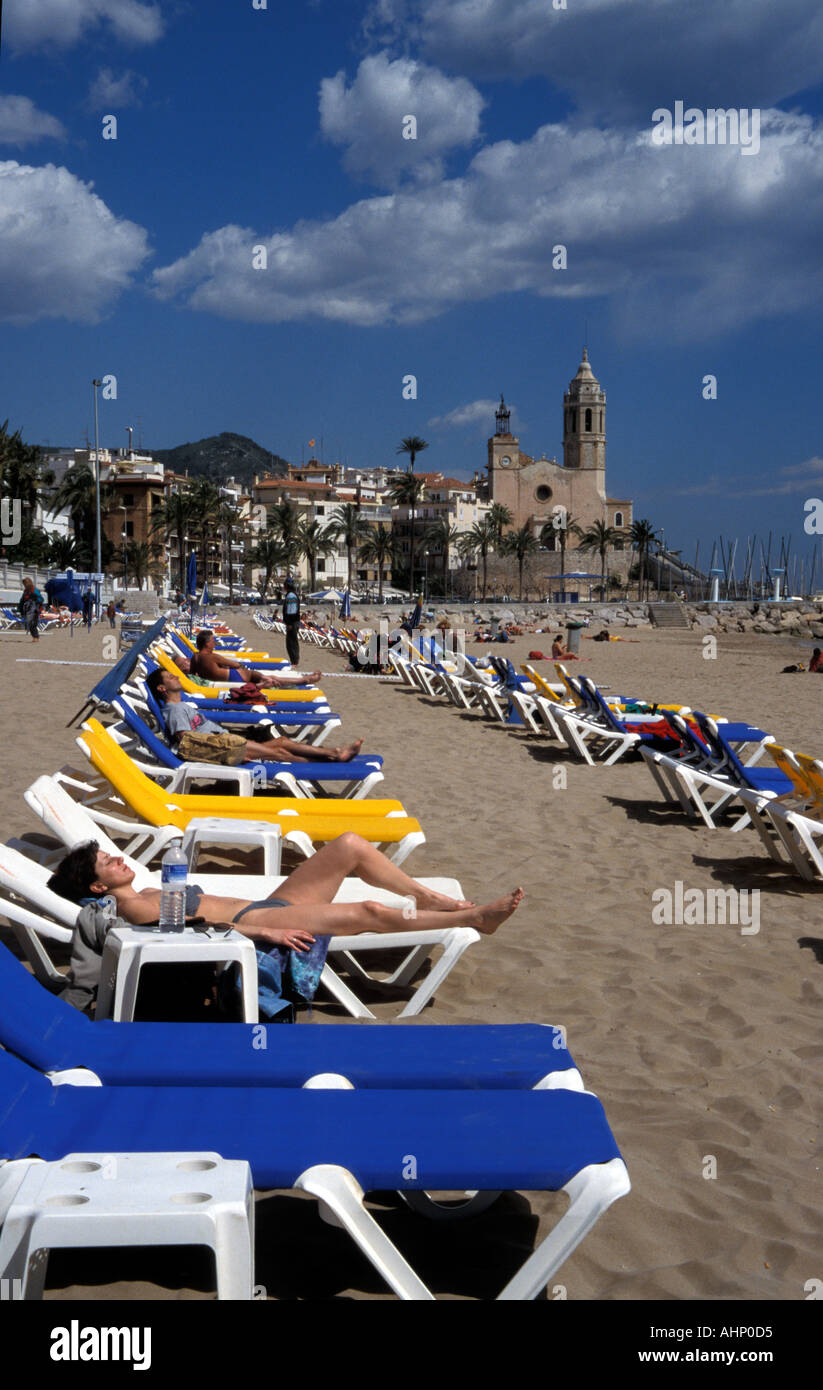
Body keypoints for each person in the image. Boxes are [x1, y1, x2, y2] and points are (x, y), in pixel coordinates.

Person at [48, 838, 523, 950]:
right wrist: (262, 933)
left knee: (351, 846)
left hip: (267, 906)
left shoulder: (144, 888)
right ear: (96, 887)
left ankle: (432, 899)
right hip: (259, 924)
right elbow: (195, 933)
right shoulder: (133, 904)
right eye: (106, 864)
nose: (116, 858)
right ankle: (473, 918)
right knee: (369, 910)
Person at [147, 668, 364, 766]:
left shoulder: (181, 705)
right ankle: (331, 759)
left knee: (282, 743)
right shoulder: (174, 711)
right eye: (169, 677)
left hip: (226, 741)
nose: (175, 677)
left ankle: (332, 755)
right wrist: (226, 752)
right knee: (279, 751)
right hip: (221, 747)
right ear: (162, 688)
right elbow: (185, 740)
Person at [188, 628, 321, 689]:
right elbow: (235, 665)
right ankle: (304, 680)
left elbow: (194, 674)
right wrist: (226, 666)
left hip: (221, 681)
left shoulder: (195, 657)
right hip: (237, 677)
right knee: (271, 678)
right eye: (212, 641)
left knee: (270, 677)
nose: (214, 643)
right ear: (206, 644)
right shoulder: (213, 657)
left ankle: (304, 679)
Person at [19, 577, 44, 641]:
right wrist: (20, 608)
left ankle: (36, 637)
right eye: (24, 584)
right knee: (30, 624)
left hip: (35, 609)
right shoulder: (25, 591)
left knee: (33, 624)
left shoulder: (34, 590)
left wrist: (35, 598)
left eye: (25, 584)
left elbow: (41, 599)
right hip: (28, 610)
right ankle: (35, 637)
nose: (24, 585)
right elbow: (22, 600)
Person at [282, 578, 301, 665]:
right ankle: (294, 661)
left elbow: (292, 611)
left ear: (287, 586)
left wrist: (289, 623)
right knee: (291, 643)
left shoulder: (291, 596)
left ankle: (294, 662)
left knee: (291, 643)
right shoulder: (292, 595)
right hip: (293, 622)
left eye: (284, 585)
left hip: (292, 623)